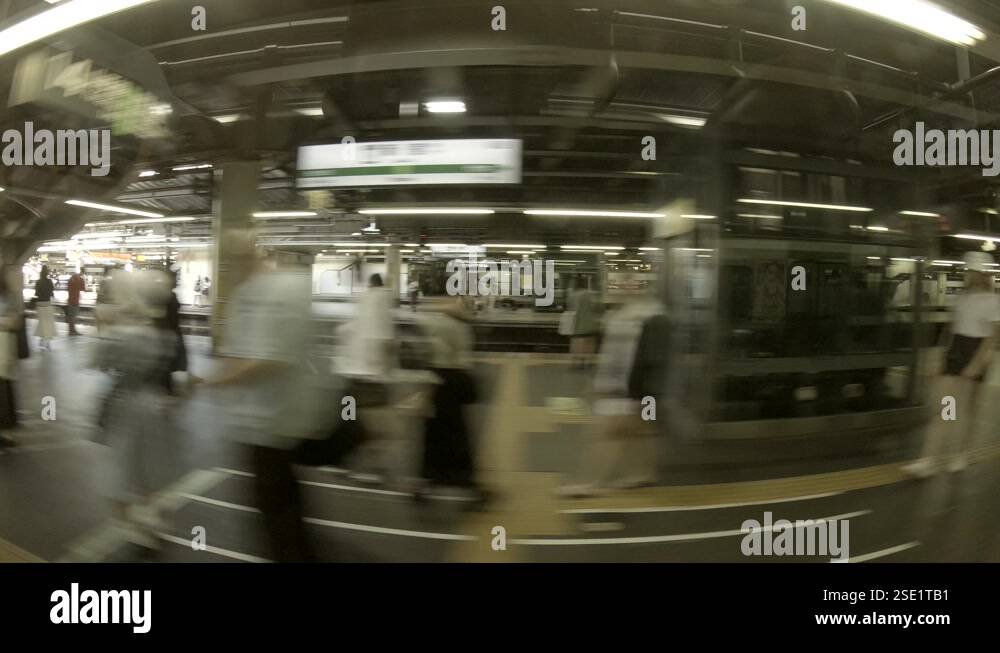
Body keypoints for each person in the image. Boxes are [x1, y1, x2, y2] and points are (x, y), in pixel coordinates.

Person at [206, 247, 315, 561]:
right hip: (266, 422)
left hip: (271, 422)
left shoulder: (280, 292)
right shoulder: (250, 295)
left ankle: (292, 555)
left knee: (274, 501)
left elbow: (271, 359)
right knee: (281, 498)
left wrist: (217, 381)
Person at [92, 270, 178, 551]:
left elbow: (97, 361)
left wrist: (104, 327)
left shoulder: (120, 331)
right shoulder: (153, 327)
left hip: (125, 403)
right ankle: (154, 520)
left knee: (117, 471)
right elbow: (168, 355)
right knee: (149, 465)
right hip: (151, 400)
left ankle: (136, 530)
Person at [557, 295, 666, 497]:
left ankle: (590, 483)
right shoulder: (645, 314)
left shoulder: (638, 318)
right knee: (641, 431)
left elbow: (627, 360)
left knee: (606, 433)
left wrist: (612, 390)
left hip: (628, 391)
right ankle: (643, 474)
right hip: (642, 392)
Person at [905, 251, 1000, 477]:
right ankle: (928, 460)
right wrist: (939, 359)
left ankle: (960, 453)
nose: (968, 274)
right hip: (956, 352)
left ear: (982, 274)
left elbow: (992, 337)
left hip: (976, 352)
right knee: (947, 408)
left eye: (972, 271)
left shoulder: (993, 300)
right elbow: (950, 330)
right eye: (968, 270)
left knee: (968, 409)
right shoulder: (961, 298)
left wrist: (976, 364)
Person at [414, 298, 489, 503]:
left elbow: (428, 353)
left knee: (432, 436)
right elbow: (465, 362)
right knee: (458, 436)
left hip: (437, 381)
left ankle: (426, 483)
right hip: (454, 382)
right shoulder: (462, 328)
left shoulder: (435, 323)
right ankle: (468, 485)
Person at [335, 273, 400, 485]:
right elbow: (386, 343)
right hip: (373, 382)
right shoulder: (382, 305)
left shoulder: (360, 306)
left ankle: (345, 464)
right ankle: (375, 468)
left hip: (348, 380)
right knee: (377, 426)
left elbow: (343, 332)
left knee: (348, 420)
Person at [0, 271, 21, 452]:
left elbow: (14, 321)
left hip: (3, 347)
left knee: (3, 389)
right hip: (4, 346)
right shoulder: (9, 296)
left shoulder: (9, 297)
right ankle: (5, 433)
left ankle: (5, 432)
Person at [566, 275, 600, 369]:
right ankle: (587, 360)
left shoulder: (572, 294)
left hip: (575, 322)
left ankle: (576, 360)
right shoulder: (588, 294)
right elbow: (595, 306)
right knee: (589, 341)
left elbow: (569, 307)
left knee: (576, 341)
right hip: (588, 322)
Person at [33, 266, 56, 350]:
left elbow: (36, 293)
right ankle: (47, 341)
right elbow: (52, 293)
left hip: (40, 304)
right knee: (48, 323)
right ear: (47, 273)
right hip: (47, 303)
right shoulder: (49, 281)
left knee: (41, 323)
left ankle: (42, 339)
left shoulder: (38, 282)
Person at [66, 271, 85, 336]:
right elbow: (83, 288)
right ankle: (73, 331)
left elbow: (68, 288)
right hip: (75, 300)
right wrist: (82, 280)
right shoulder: (79, 280)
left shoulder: (71, 279)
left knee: (71, 316)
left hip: (70, 300)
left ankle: (71, 331)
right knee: (73, 316)